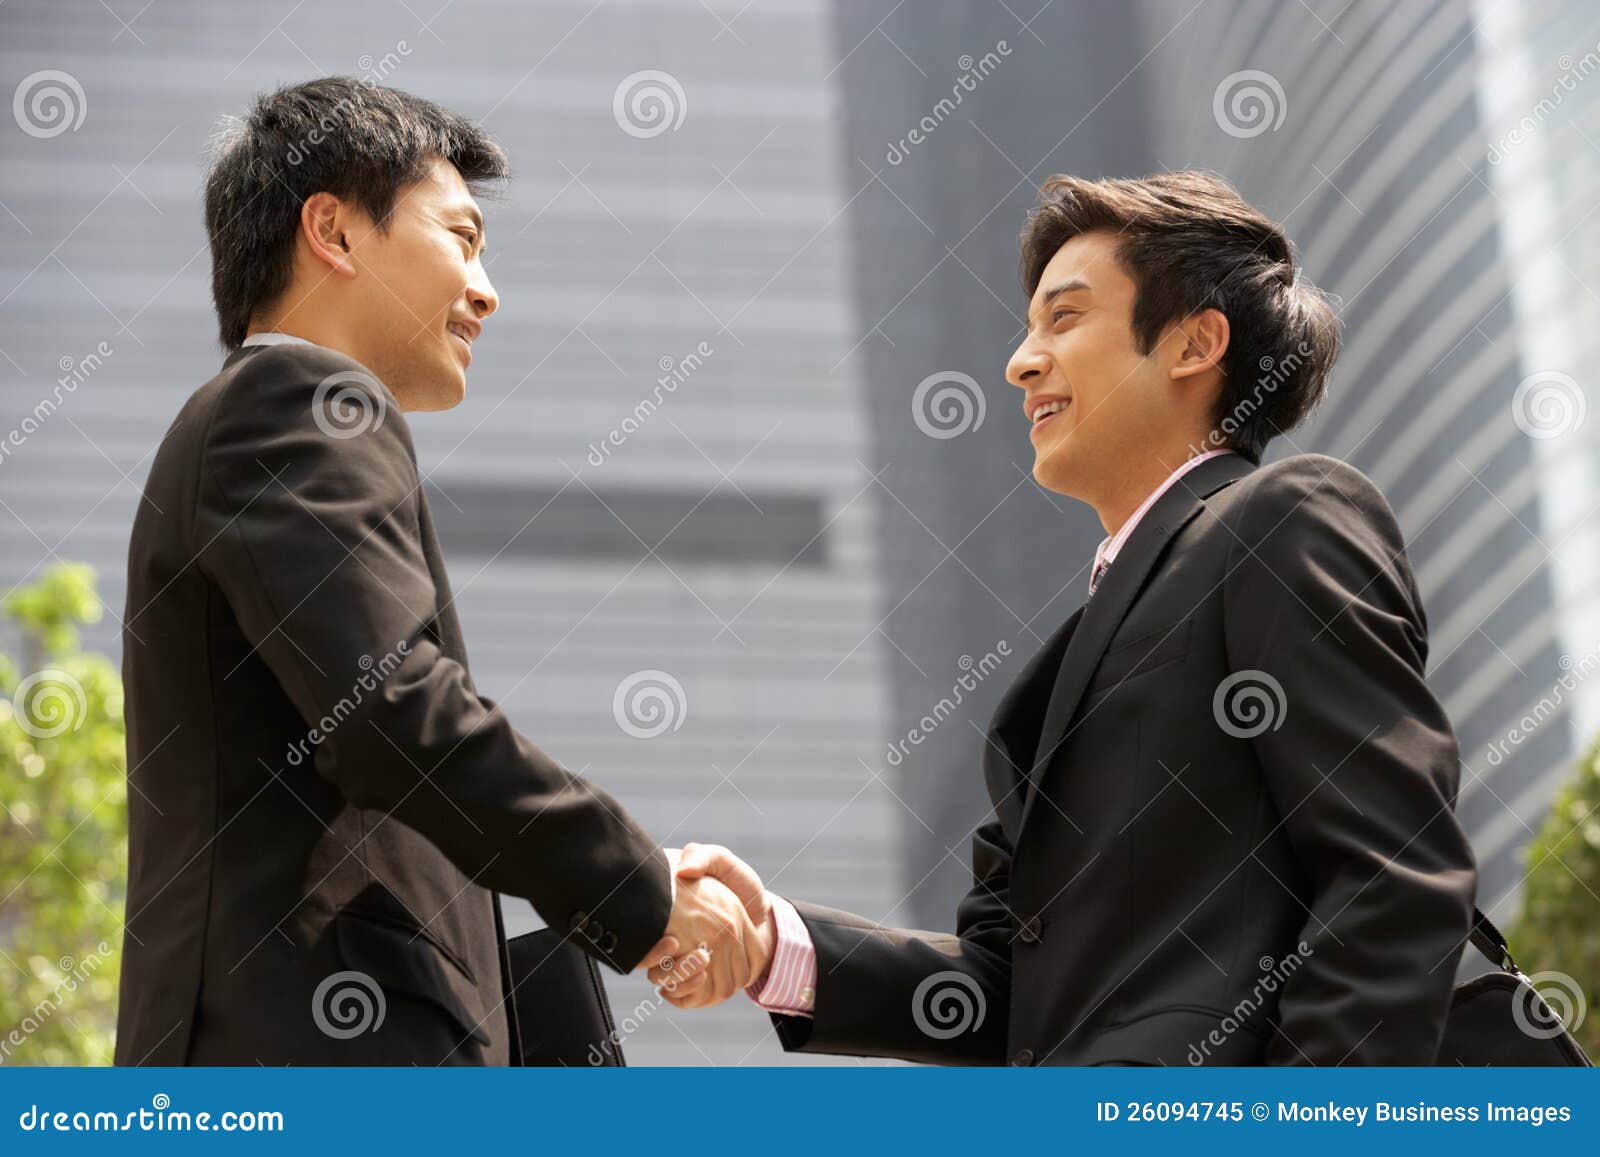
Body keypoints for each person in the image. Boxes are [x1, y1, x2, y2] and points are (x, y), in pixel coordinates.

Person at [655, 170, 1479, 1066]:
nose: (1021, 360)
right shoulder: (1066, 662)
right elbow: (1006, 990)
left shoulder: (1284, 518)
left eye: (1066, 318)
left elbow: (1394, 876)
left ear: (1196, 343)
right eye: (1029, 325)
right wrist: (776, 944)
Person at [114, 78, 756, 1067]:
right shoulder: (298, 397)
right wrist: (634, 883)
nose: (487, 288)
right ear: (331, 230)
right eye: (460, 237)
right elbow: (393, 712)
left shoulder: (265, 419)